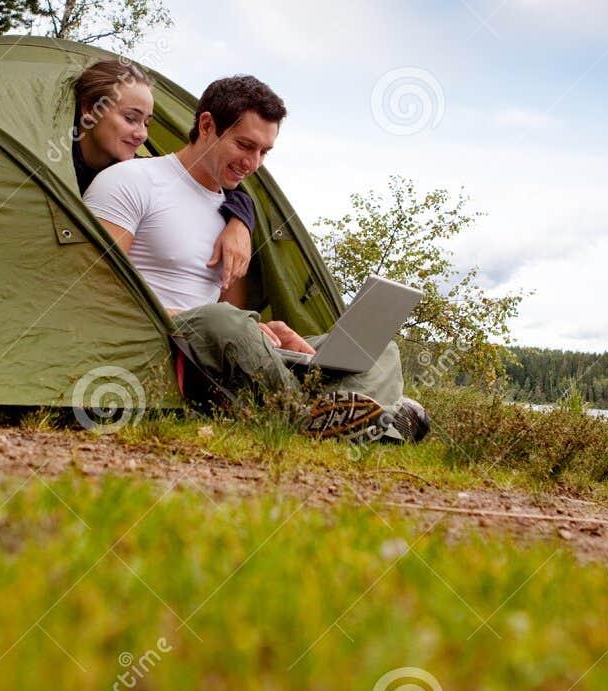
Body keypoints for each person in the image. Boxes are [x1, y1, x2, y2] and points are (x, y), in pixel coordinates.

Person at [82, 73, 428, 442]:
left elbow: (232, 309)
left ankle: (340, 419)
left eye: (264, 152)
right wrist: (232, 325)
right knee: (221, 320)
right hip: (170, 341)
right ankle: (356, 418)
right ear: (207, 125)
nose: (253, 163)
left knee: (378, 349)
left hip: (225, 352)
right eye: (245, 145)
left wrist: (269, 333)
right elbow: (99, 292)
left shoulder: (237, 214)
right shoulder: (129, 182)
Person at [69, 58, 254, 291]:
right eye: (130, 118)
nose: (142, 135)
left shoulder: (134, 172)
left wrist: (241, 223)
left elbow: (231, 193)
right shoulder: (55, 163)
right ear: (89, 108)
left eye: (146, 123)